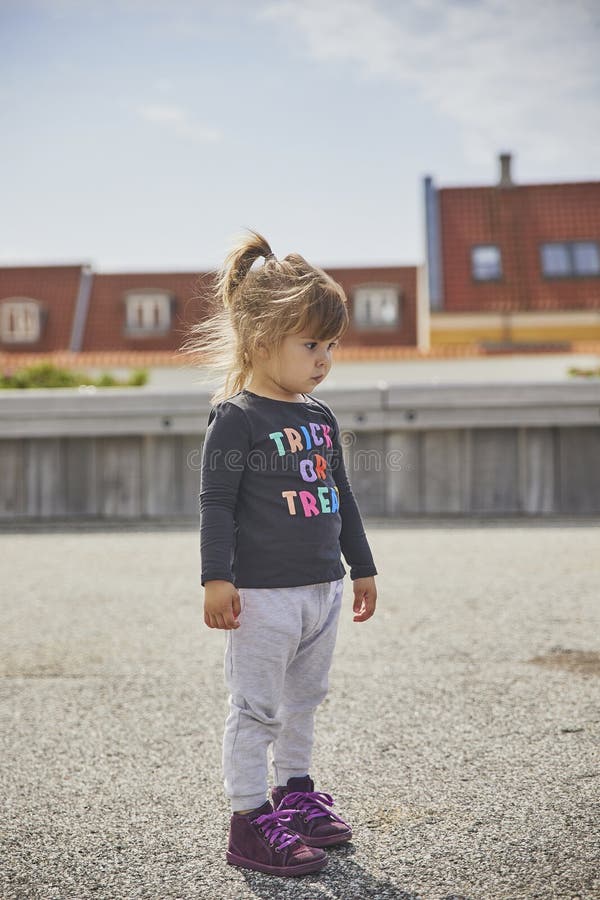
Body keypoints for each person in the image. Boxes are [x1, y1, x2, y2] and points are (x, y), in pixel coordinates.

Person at [193, 231, 378, 877]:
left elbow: (340, 496)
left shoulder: (319, 415)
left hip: (320, 590)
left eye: (331, 345)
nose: (324, 358)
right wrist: (216, 578)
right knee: (256, 708)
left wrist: (363, 566)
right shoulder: (237, 417)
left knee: (304, 700)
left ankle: (294, 794)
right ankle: (248, 820)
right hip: (264, 595)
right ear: (261, 338)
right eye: (311, 344)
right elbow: (215, 504)